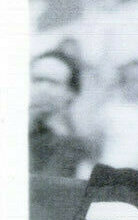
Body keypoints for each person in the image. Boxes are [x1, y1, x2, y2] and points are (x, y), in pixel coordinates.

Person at [29, 50, 96, 179]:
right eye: (37, 80)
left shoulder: (76, 148)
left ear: (71, 93)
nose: (43, 89)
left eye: (53, 83)